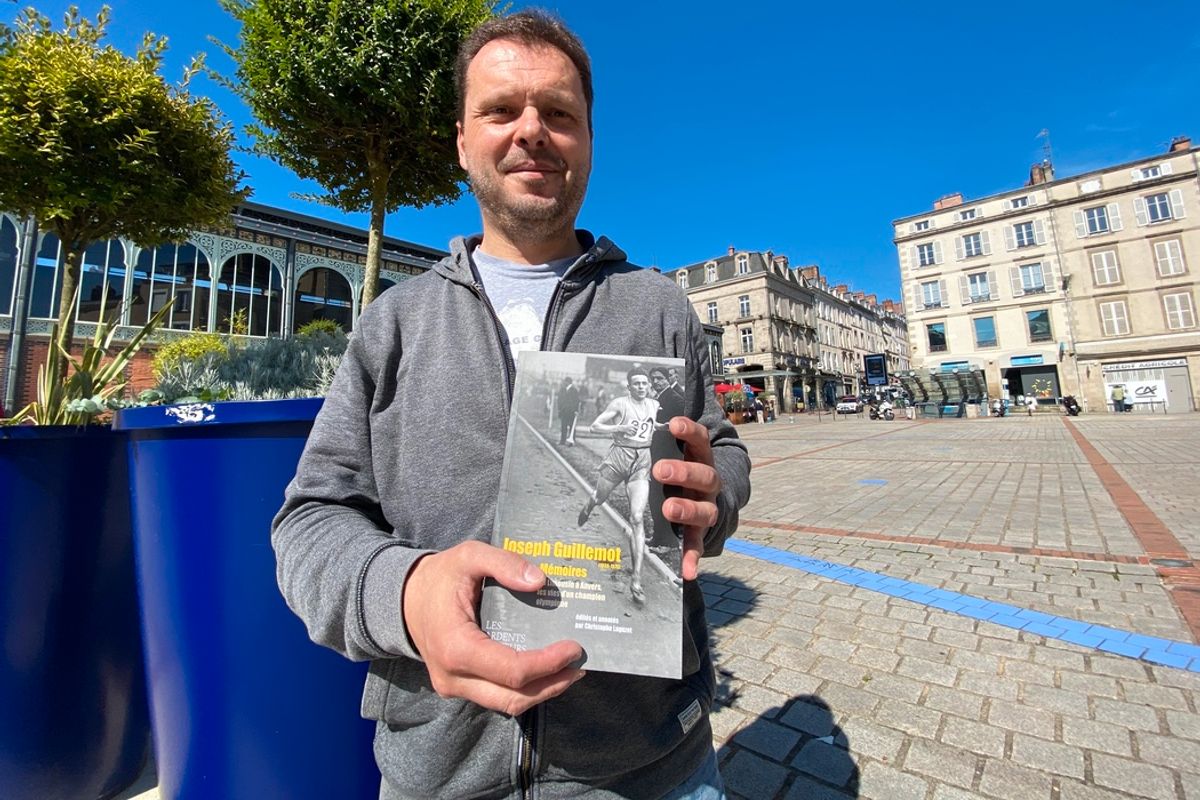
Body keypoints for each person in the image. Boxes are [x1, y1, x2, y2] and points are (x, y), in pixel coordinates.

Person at [270, 10, 751, 800]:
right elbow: (310, 520)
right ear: (463, 141)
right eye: (501, 110)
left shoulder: (660, 308)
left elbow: (723, 450)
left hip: (650, 769)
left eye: (559, 113)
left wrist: (717, 493)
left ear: (589, 140)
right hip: (442, 773)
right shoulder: (395, 321)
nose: (532, 131)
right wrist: (404, 592)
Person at [577, 366, 667, 604]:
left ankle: (636, 580)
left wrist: (662, 427)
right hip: (618, 457)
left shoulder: (654, 405)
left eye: (644, 383)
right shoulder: (619, 404)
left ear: (649, 386)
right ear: (629, 386)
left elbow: (650, 425)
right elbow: (595, 426)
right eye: (636, 383)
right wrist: (620, 427)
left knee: (637, 517)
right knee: (600, 497)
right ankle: (589, 505)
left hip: (642, 461)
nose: (641, 387)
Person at [557, 375, 580, 445]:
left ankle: (571, 441)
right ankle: (562, 441)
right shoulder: (562, 390)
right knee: (563, 426)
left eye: (565, 382)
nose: (564, 383)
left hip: (571, 412)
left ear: (568, 382)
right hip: (564, 411)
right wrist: (559, 409)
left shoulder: (574, 391)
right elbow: (559, 400)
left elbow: (576, 401)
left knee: (571, 426)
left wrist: (576, 410)